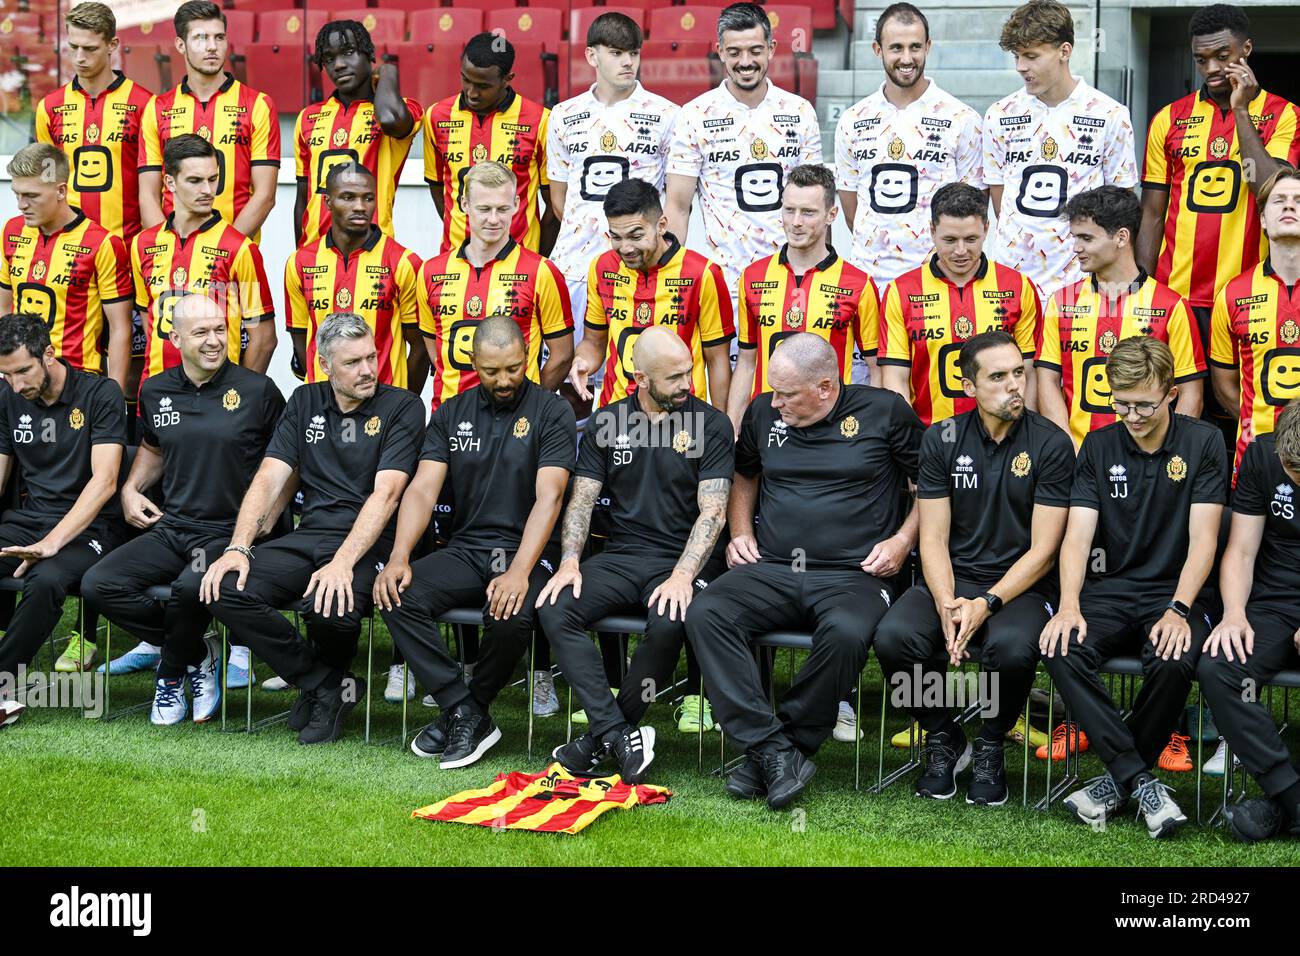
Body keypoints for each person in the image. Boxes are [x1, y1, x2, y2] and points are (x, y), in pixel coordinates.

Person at [687, 333, 923, 810]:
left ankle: (783, 747)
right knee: (707, 612)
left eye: (787, 394)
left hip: (854, 574)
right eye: (773, 391)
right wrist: (738, 530)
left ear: (826, 387)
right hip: (773, 566)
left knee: (846, 634)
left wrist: (903, 540)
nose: (775, 403)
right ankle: (772, 749)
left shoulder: (885, 412)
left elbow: (931, 487)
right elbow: (745, 471)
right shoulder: (762, 414)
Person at [199, 314, 424, 745]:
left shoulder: (403, 406)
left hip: (372, 541)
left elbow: (388, 494)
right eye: (353, 362)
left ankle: (326, 689)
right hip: (309, 535)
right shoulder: (303, 401)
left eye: (371, 357)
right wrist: (238, 548)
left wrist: (342, 563)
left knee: (331, 605)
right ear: (325, 366)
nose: (367, 370)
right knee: (223, 586)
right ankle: (324, 684)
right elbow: (269, 477)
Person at [874, 331, 1072, 803]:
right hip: (953, 577)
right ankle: (942, 734)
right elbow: (934, 537)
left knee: (1011, 647)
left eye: (1019, 373)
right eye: (999, 377)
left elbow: (1045, 550)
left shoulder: (1052, 443)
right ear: (970, 387)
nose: (1015, 386)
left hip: (1024, 587)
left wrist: (986, 603)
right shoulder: (941, 438)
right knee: (894, 637)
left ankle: (990, 742)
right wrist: (946, 603)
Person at [1040, 336, 1225, 837]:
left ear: (1170, 392)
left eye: (1144, 403)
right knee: (1060, 646)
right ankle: (1139, 781)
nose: (1133, 414)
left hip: (1177, 590)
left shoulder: (1204, 441)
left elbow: (1204, 541)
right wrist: (1069, 605)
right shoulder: (1098, 444)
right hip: (1111, 591)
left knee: (1173, 659)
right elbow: (1077, 536)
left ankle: (1116, 784)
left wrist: (1179, 609)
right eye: (1121, 403)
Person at [374, 317, 575, 769]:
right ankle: (462, 709)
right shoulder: (450, 412)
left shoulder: (552, 410)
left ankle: (469, 709)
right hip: (467, 549)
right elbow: (423, 490)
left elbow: (551, 496)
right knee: (396, 594)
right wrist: (400, 556)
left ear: (528, 358)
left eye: (513, 368)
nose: (504, 380)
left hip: (531, 551)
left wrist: (520, 571)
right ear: (472, 363)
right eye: (491, 371)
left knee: (511, 614)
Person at [538, 328, 734, 779]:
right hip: (623, 555)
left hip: (686, 558)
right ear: (640, 378)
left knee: (669, 621)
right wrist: (569, 562)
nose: (687, 384)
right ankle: (617, 732)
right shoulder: (608, 422)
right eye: (674, 378)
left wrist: (683, 576)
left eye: (689, 372)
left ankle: (598, 738)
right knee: (554, 607)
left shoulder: (711, 424)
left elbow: (714, 512)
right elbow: (582, 500)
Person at [81, 295, 284, 724]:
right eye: (201, 332)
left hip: (227, 534)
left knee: (191, 589)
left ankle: (171, 673)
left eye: (219, 330)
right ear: (174, 338)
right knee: (100, 583)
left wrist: (267, 517)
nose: (214, 341)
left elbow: (288, 464)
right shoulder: (155, 389)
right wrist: (131, 489)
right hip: (173, 527)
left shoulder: (257, 391)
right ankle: (198, 650)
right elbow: (153, 449)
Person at [1138, 5, 1300, 436]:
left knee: (1243, 401)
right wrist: (1140, 287)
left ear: (1246, 50)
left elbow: (1268, 185)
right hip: (1179, 295)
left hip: (1247, 293)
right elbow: (1153, 213)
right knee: (1175, 406)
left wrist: (1241, 111)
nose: (1211, 69)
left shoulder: (1283, 114)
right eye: (1200, 59)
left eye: (1222, 56)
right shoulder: (1167, 119)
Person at [666, 2, 822, 301]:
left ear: (771, 48)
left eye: (755, 51)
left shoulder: (800, 111)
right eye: (735, 52)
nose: (745, 62)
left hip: (793, 281)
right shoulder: (695, 114)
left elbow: (816, 200)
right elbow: (677, 206)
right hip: (724, 284)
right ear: (720, 51)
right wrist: (671, 278)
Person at [0, 313, 125, 681]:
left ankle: (3, 680)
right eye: (5, 375)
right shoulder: (7, 397)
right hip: (29, 521)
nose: (15, 384)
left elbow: (105, 481)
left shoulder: (100, 394)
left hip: (93, 530)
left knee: (45, 580)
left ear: (49, 354)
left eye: (23, 371)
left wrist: (53, 542)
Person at [982, 0, 1137, 296]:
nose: (1021, 67)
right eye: (1016, 56)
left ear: (1064, 51)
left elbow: (1122, 204)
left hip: (1081, 280)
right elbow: (999, 196)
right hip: (1013, 278)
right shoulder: (999, 113)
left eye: (1031, 56)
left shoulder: (1109, 114)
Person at [1199, 399, 1300, 842]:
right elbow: (1240, 549)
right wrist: (1234, 614)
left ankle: (1277, 810)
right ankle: (1290, 795)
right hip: (1274, 598)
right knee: (1219, 666)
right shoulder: (1263, 455)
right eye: (1293, 472)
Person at [1037, 186, 1206, 449]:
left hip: (1148, 459)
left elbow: (1190, 394)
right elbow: (1046, 379)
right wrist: (1065, 444)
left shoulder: (1171, 305)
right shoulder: (1061, 302)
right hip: (1078, 458)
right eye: (1075, 238)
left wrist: (1167, 451)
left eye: (1086, 238)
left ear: (1121, 237)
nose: (1076, 248)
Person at [833, 3, 983, 285]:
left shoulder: (961, 118)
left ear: (928, 46)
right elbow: (852, 208)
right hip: (870, 279)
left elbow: (972, 207)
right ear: (878, 50)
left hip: (938, 280)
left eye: (915, 47)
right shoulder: (853, 119)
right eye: (896, 48)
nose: (906, 57)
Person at [546, 13, 678, 331]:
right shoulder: (564, 115)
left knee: (637, 368)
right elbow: (559, 200)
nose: (628, 62)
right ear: (592, 55)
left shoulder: (667, 114)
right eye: (617, 53)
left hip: (637, 266)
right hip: (574, 266)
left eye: (633, 53)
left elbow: (674, 200)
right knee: (572, 369)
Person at [729, 163, 879, 441]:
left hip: (831, 428)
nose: (796, 221)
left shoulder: (858, 283)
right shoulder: (752, 276)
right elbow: (747, 363)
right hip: (766, 425)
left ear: (831, 215)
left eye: (808, 212)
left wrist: (874, 433)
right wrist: (733, 427)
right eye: (789, 210)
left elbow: (876, 368)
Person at [879, 182, 1041, 425]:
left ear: (986, 229)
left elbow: (1028, 372)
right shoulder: (901, 291)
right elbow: (895, 378)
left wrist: (1024, 433)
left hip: (1004, 436)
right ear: (932, 231)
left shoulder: (1018, 286)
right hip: (931, 435)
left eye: (971, 239)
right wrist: (912, 438)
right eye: (950, 239)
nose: (961, 251)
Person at [419, 161, 574, 410]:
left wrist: (529, 405)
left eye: (502, 209)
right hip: (450, 418)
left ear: (516, 205)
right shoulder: (430, 272)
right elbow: (436, 353)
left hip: (517, 424)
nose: (494, 219)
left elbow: (563, 355)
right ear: (465, 205)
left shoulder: (542, 271)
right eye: (484, 209)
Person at [569, 179, 734, 413]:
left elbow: (718, 361)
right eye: (616, 237)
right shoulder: (602, 267)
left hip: (682, 417)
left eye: (636, 236)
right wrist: (582, 361)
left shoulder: (702, 273)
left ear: (661, 225)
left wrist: (719, 425)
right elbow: (593, 343)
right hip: (616, 413)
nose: (625, 247)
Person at [132, 134, 276, 387]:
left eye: (213, 179)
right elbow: (149, 322)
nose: (208, 190)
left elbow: (263, 338)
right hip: (157, 395)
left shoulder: (240, 248)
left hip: (218, 400)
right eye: (195, 181)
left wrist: (239, 395)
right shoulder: (142, 244)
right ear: (170, 182)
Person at [138, 0, 279, 242]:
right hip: (173, 261)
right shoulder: (157, 108)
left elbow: (265, 195)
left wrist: (222, 253)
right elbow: (148, 196)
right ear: (181, 45)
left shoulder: (258, 105)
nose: (212, 47)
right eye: (201, 38)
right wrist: (171, 251)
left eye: (219, 37)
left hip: (236, 263)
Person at [0, 144, 133, 394]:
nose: (21, 204)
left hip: (77, 382)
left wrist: (112, 397)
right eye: (17, 194)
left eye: (31, 195)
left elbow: (120, 328)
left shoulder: (103, 243)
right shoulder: (11, 231)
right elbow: (4, 309)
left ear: (61, 191)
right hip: (19, 382)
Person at [286, 163, 425, 391]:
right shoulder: (300, 262)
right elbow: (302, 340)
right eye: (348, 197)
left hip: (383, 408)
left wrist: (401, 405)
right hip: (323, 407)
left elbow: (420, 348)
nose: (360, 206)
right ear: (328, 202)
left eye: (368, 198)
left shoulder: (403, 262)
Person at [422, 33, 556, 255]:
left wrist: (536, 261)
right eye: (466, 79)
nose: (472, 93)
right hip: (456, 260)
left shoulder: (541, 121)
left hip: (519, 264)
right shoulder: (437, 116)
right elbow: (439, 189)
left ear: (507, 78)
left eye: (483, 86)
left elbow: (554, 204)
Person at [293, 19, 422, 247]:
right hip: (317, 255)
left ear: (369, 54)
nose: (339, 65)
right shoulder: (307, 118)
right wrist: (301, 254)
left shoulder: (403, 109)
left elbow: (391, 120)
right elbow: (303, 198)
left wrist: (388, 71)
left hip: (374, 252)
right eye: (329, 59)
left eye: (349, 52)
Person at [35, 2, 154, 246]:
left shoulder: (146, 105)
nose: (80, 58)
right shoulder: (49, 108)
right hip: (69, 249)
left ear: (113, 45)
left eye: (90, 49)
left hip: (127, 249)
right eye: (73, 47)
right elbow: (47, 184)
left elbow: (159, 187)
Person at [1210, 169, 1300, 477]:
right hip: (1255, 461)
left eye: (1298, 200)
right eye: (1279, 200)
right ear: (1262, 219)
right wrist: (1259, 423)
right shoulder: (1233, 294)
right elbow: (1224, 386)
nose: (1289, 206)